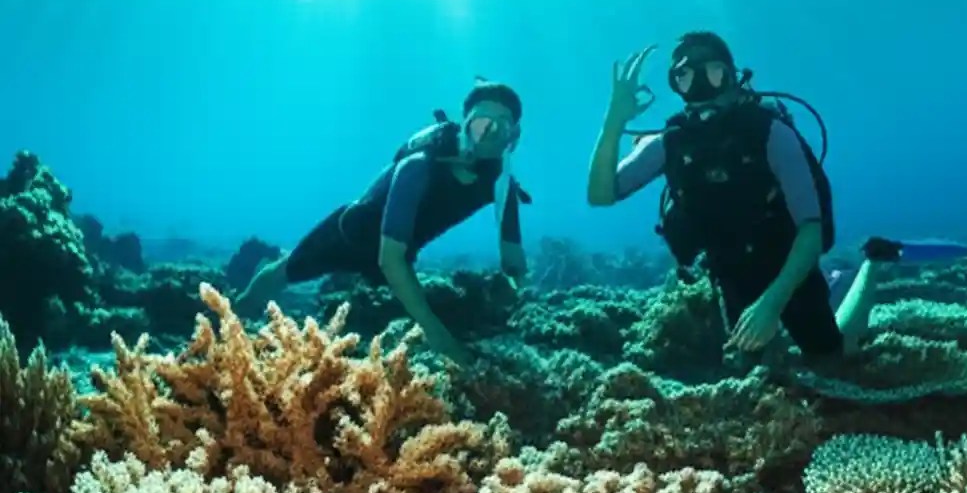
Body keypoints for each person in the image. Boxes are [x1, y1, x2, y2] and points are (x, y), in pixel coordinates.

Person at [586, 32, 902, 362]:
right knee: (749, 372)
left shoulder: (770, 133)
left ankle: (866, 270)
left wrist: (772, 302)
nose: (701, 88)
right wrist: (614, 119)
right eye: (685, 77)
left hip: (789, 261)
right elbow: (600, 194)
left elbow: (812, 229)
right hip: (730, 270)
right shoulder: (671, 142)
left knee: (834, 360)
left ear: (733, 77)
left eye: (712, 72)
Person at [235, 80, 531, 366]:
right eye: (482, 125)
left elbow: (513, 260)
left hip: (399, 255)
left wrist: (520, 299)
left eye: (501, 127)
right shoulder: (418, 166)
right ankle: (234, 321)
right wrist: (438, 336)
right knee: (281, 274)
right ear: (465, 122)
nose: (489, 136)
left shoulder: (501, 186)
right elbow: (390, 259)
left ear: (513, 137)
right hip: (349, 239)